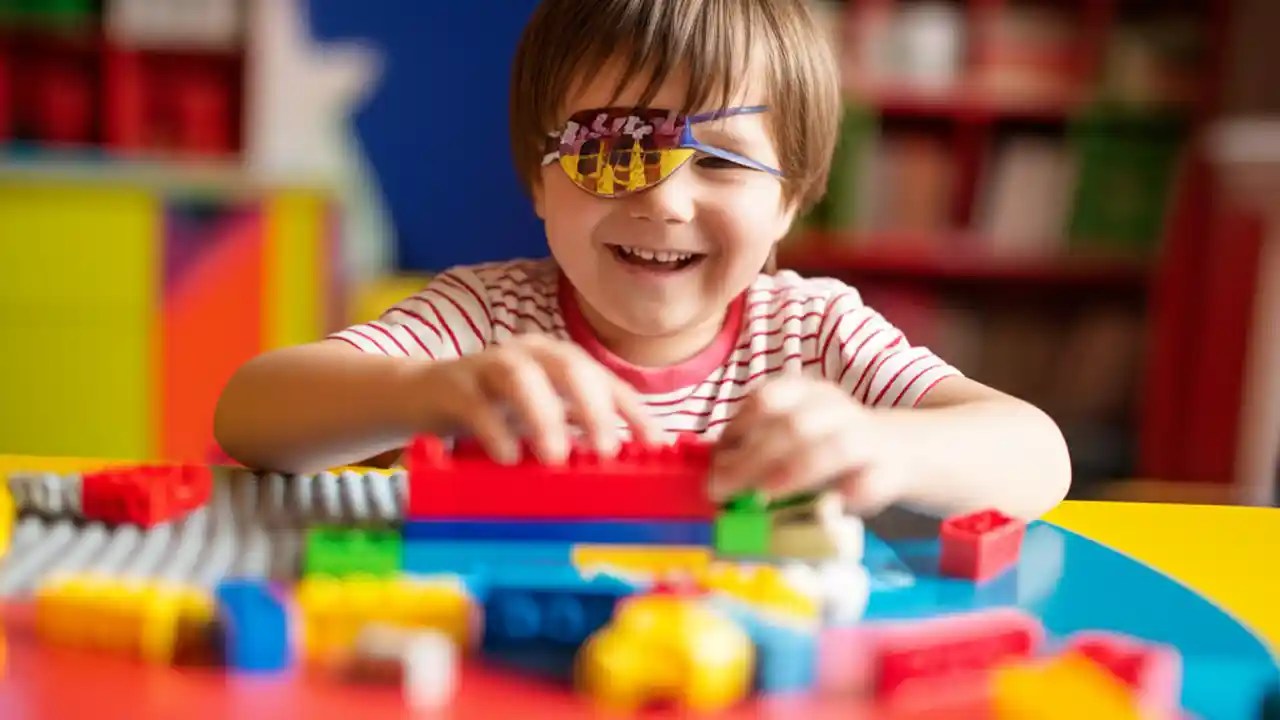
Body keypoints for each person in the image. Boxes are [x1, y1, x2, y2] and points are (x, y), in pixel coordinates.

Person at [214, 0, 1071, 520]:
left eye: (723, 161)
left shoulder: (813, 332)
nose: (663, 199)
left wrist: (880, 445)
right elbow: (249, 414)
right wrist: (426, 390)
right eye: (612, 150)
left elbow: (1039, 456)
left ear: (790, 200)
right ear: (540, 182)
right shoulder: (484, 325)